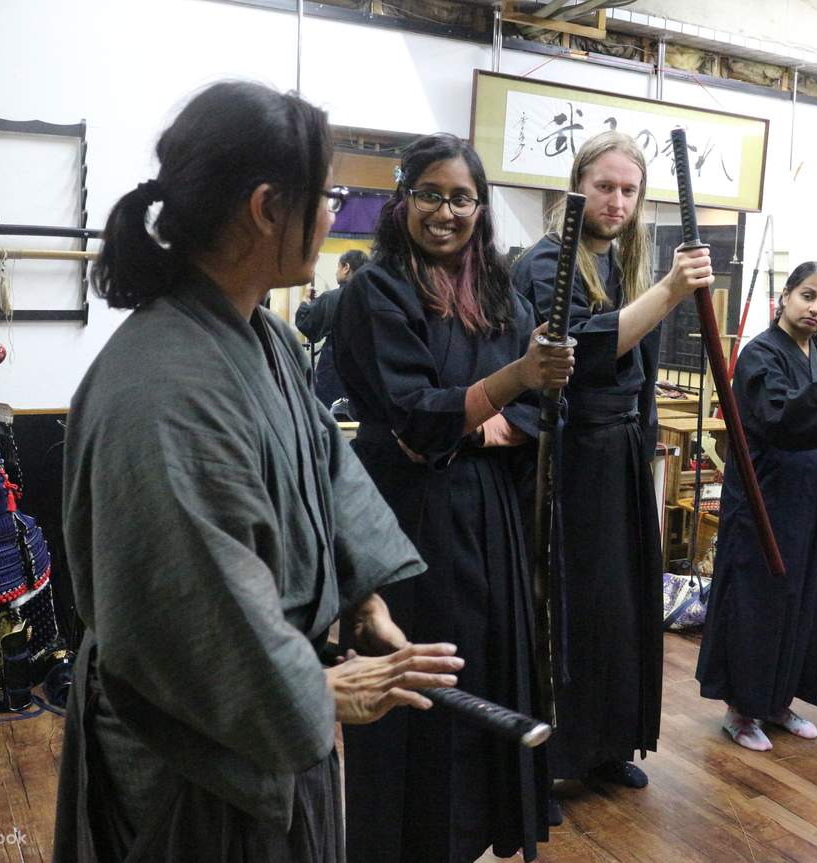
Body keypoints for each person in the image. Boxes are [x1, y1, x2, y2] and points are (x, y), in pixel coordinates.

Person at [55, 81, 463, 863]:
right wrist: (316, 694)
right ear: (267, 207)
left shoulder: (262, 338)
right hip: (197, 745)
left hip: (262, 712)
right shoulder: (164, 389)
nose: (333, 212)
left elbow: (324, 469)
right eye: (328, 193)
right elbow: (196, 597)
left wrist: (360, 594)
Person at [334, 133, 573, 863]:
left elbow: (539, 406)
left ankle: (469, 843)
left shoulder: (500, 286)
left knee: (486, 671)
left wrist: (474, 418)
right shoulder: (377, 290)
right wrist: (501, 392)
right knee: (420, 687)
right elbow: (412, 418)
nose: (446, 211)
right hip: (409, 520)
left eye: (461, 197)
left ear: (480, 205)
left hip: (491, 512)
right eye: (430, 194)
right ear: (402, 198)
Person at [512, 130, 713, 791]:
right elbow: (581, 349)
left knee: (624, 607)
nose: (616, 200)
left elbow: (641, 374)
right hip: (570, 460)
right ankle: (554, 759)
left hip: (626, 456)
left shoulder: (625, 268)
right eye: (604, 186)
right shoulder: (546, 262)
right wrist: (668, 292)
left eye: (628, 189)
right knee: (572, 607)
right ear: (578, 185)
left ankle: (606, 745)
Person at [695, 261, 817, 751]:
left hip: (814, 505)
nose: (814, 308)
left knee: (805, 603)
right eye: (807, 296)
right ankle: (741, 709)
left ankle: (778, 701)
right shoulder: (760, 355)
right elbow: (779, 418)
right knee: (760, 603)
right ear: (785, 297)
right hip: (766, 502)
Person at [296, 248, 366, 409]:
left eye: (338, 267)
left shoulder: (333, 298)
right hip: (366, 375)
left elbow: (307, 325)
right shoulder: (377, 299)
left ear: (346, 268)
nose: (336, 272)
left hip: (335, 373)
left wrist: (306, 302)